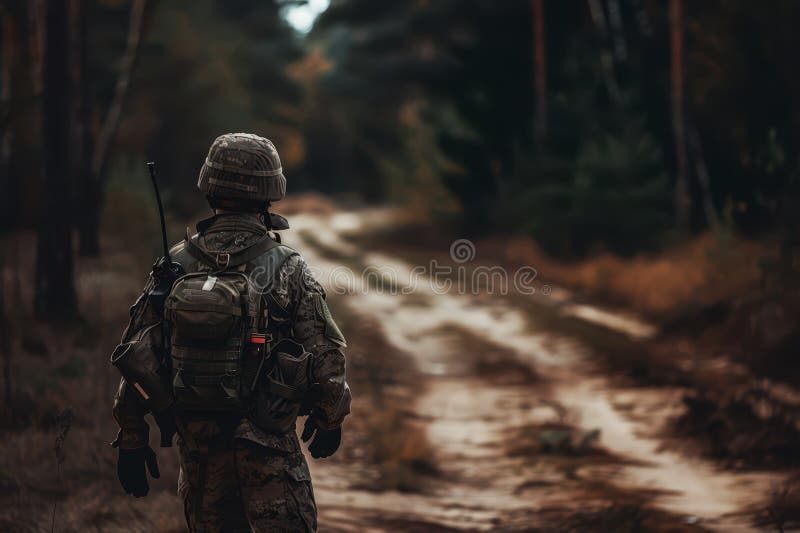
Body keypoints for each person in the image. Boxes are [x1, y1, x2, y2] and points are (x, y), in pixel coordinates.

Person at [111, 133, 351, 532]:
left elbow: (138, 356)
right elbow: (327, 356)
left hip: (202, 465)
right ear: (270, 191)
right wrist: (330, 417)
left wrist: (132, 437)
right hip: (271, 458)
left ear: (209, 186)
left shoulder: (174, 264)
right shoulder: (287, 267)